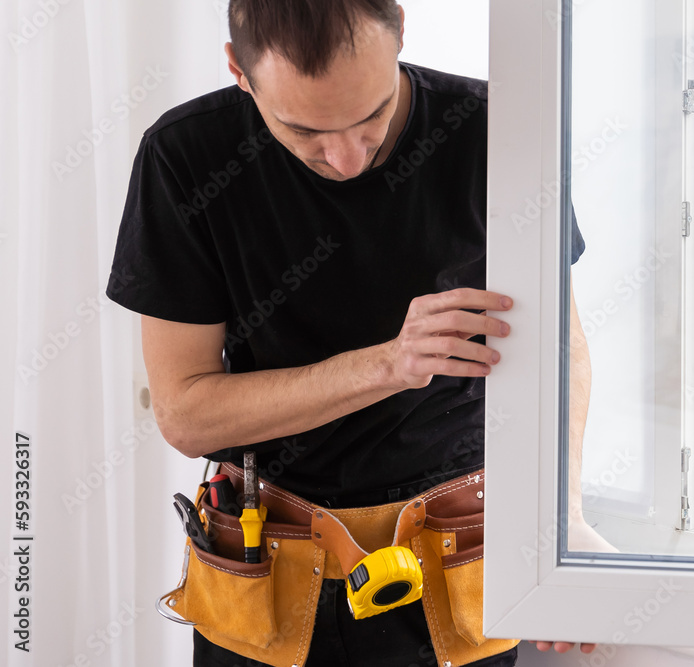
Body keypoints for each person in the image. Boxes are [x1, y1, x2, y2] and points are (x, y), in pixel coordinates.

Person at [107, 0, 603, 664]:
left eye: (373, 113)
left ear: (400, 29)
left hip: (457, 565)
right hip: (267, 569)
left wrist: (562, 521)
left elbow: (558, 349)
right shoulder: (185, 158)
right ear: (239, 72)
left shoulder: (495, 130)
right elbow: (186, 415)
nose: (345, 157)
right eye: (302, 129)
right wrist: (386, 365)